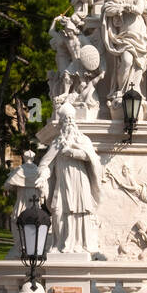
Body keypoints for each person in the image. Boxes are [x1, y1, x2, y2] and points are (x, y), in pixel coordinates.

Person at [38, 103, 103, 254]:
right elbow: (45, 163)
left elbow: (92, 158)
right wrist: (42, 175)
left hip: (80, 182)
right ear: (61, 124)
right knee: (58, 211)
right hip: (62, 184)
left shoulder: (84, 140)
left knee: (81, 211)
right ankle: (60, 245)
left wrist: (72, 151)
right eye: (65, 120)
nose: (69, 123)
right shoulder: (57, 142)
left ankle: (81, 245)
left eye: (71, 120)